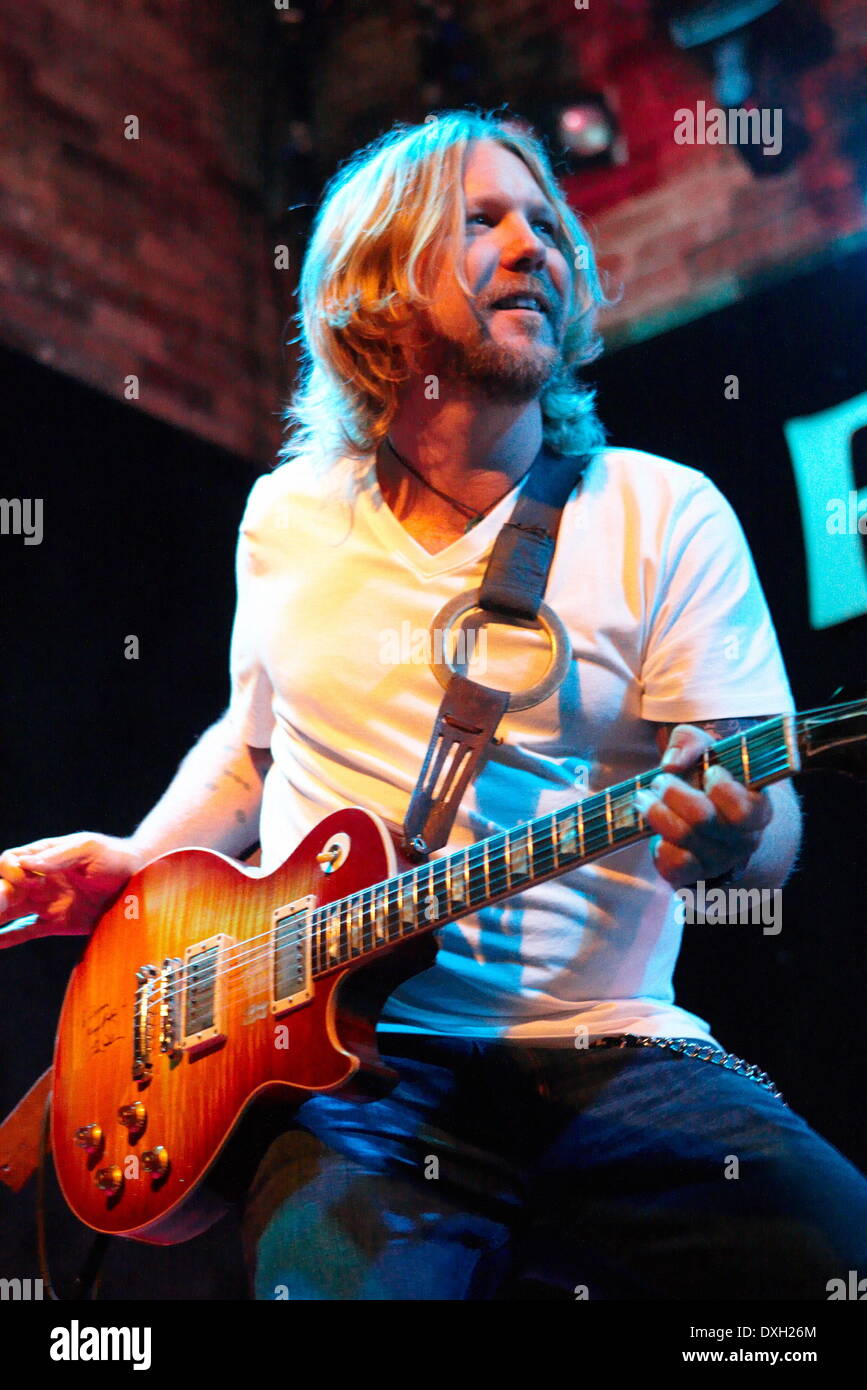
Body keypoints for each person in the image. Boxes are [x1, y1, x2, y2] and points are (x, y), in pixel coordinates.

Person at [2, 111, 865, 1300]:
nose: (536, 245)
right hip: (357, 1081)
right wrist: (145, 858)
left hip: (616, 1051)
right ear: (376, 283)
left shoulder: (668, 513)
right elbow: (253, 750)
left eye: (548, 223)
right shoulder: (288, 519)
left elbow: (764, 839)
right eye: (484, 221)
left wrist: (732, 835)